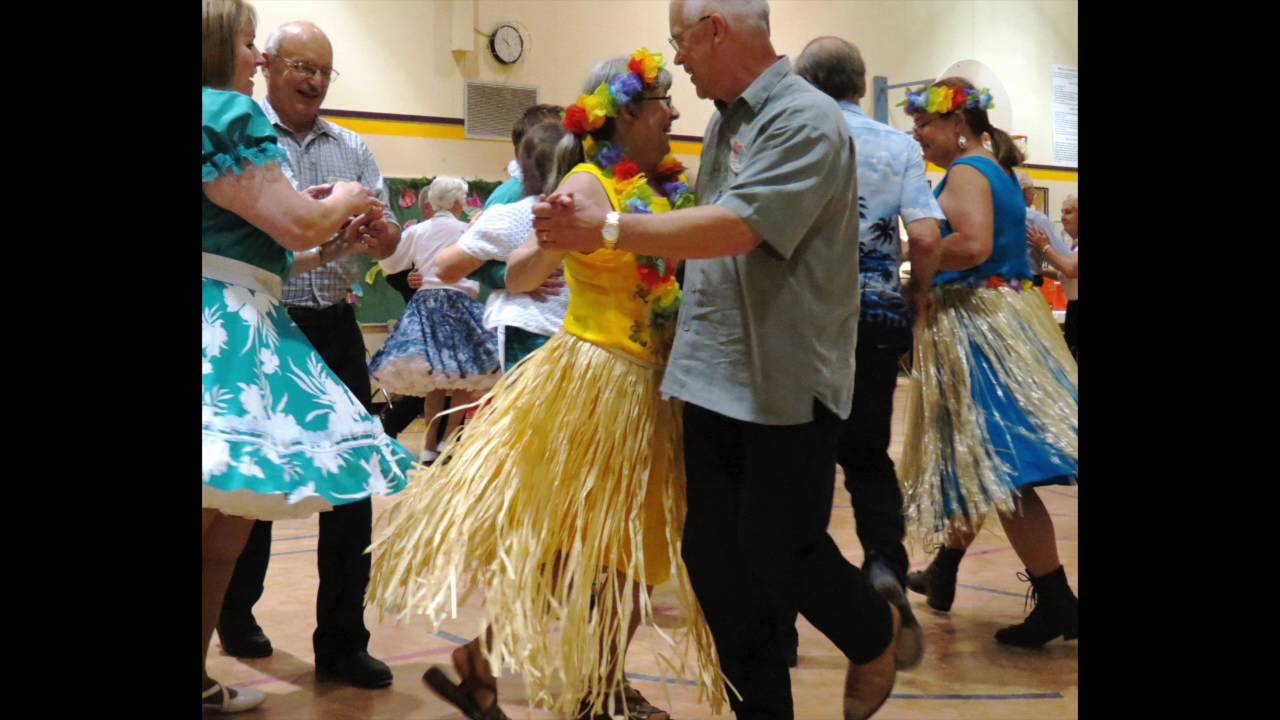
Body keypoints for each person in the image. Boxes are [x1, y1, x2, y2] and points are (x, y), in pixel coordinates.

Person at [532, 3, 903, 718]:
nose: (678, 59)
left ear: (716, 29)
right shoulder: (726, 122)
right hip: (709, 375)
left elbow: (739, 228)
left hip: (783, 379)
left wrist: (608, 229)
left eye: (681, 41)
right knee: (713, 562)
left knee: (780, 549)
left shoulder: (803, 119)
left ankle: (872, 631)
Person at [367, 51, 722, 720]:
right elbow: (524, 272)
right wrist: (548, 246)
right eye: (663, 102)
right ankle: (589, 685)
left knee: (626, 550)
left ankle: (520, 669)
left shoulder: (662, 189)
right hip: (601, 383)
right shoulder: (589, 183)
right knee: (604, 548)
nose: (676, 113)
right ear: (627, 114)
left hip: (648, 387)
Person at [202, 0, 414, 712]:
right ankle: (233, 622)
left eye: (324, 70)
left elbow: (273, 252)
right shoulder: (230, 116)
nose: (261, 58)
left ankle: (335, 639)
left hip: (286, 321)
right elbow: (292, 224)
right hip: (235, 329)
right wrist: (340, 202)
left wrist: (346, 240)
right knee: (232, 497)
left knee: (251, 509)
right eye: (255, 46)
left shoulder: (340, 140)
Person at [897, 77, 1078, 647]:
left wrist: (913, 255)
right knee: (979, 459)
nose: (917, 135)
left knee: (1002, 469)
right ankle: (945, 571)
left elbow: (972, 245)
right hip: (998, 316)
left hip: (979, 323)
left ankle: (1057, 600)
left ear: (958, 124)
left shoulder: (968, 171)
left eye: (924, 124)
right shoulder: (994, 169)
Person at [790, 35, 944, 670]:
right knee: (868, 458)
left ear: (804, 82)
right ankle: (884, 563)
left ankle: (786, 617)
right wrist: (918, 293)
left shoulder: (791, 134)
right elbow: (927, 237)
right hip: (875, 321)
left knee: (797, 463)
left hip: (798, 323)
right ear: (860, 84)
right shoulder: (898, 146)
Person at [369, 176, 500, 462]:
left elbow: (389, 262)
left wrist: (418, 270)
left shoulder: (418, 230)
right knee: (463, 375)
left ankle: (429, 445)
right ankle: (448, 442)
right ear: (457, 201)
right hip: (459, 304)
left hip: (427, 305)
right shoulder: (466, 230)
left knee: (436, 381)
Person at [431, 121, 571, 370]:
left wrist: (473, 232)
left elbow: (445, 267)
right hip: (582, 336)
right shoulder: (595, 212)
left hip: (531, 331)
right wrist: (516, 276)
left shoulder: (513, 213)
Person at [1031, 193, 1077, 359]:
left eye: (1068, 212)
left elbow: (1071, 270)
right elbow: (1064, 275)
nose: (1063, 217)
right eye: (1062, 212)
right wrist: (1037, 271)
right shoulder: (1073, 245)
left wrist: (1045, 247)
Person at [1015, 170, 1068, 286]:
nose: (1034, 193)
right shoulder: (1036, 219)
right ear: (1025, 191)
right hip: (1027, 284)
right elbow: (1065, 259)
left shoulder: (996, 216)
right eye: (1032, 189)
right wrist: (1045, 247)